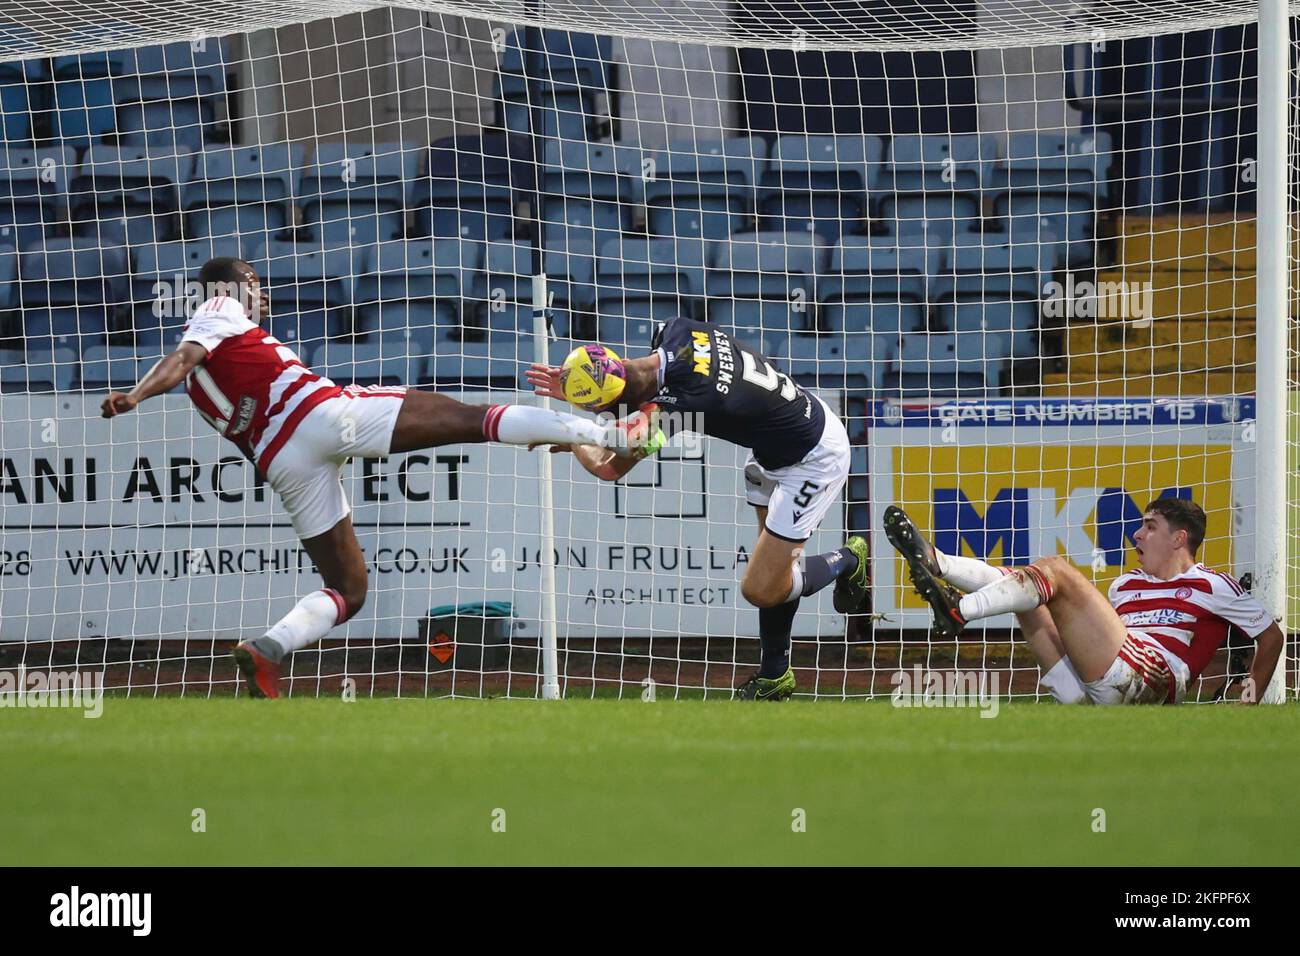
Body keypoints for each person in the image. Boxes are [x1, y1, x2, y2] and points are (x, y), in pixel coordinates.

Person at [101, 257, 640, 698]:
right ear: (231, 287)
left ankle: (267, 649)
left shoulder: (206, 386)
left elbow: (199, 373)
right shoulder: (218, 309)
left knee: (349, 588)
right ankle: (615, 434)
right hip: (320, 417)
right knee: (474, 419)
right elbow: (182, 356)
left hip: (285, 463)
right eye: (255, 284)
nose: (261, 295)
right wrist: (134, 395)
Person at [527, 315, 870, 701]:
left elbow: (609, 465)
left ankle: (848, 560)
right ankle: (775, 675)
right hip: (777, 443)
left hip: (815, 458)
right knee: (773, 575)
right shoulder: (676, 330)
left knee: (761, 588)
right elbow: (639, 390)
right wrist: (588, 389)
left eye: (601, 410)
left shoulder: (683, 405)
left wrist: (571, 431)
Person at [883, 498, 1284, 704]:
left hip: (1152, 681)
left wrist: (1246, 701)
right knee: (1032, 590)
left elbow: (1270, 636)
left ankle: (958, 611)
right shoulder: (1124, 586)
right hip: (1092, 685)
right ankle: (939, 562)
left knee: (1053, 572)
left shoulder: (1211, 584)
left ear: (1180, 538)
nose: (1137, 535)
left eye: (1149, 526)